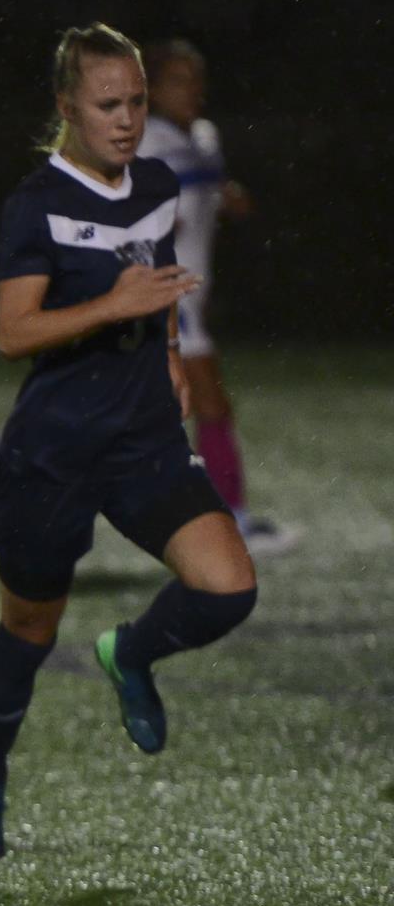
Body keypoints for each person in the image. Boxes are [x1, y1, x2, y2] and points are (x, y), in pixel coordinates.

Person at [0, 24, 259, 859]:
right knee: (27, 632)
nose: (126, 120)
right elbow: (13, 332)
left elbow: (154, 281)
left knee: (229, 588)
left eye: (134, 102)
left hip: (142, 442)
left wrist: (166, 350)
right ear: (67, 108)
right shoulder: (36, 205)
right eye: (106, 105)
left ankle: (131, 652)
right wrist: (111, 307)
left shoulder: (156, 183)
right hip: (54, 450)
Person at [137, 39, 298, 555]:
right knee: (209, 404)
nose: (193, 91)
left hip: (189, 297)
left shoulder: (204, 136)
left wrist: (225, 196)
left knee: (133, 416)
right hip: (164, 296)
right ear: (153, 88)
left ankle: (4, 459)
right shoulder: (144, 140)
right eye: (179, 80)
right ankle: (233, 522)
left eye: (197, 79)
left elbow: (204, 189)